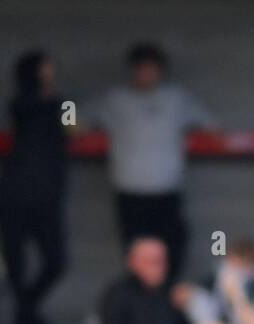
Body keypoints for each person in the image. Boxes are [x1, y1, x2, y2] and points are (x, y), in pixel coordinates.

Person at [91, 43, 214, 279]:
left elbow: (212, 126)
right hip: (130, 193)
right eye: (141, 68)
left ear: (160, 71)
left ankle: (166, 305)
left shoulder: (177, 98)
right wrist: (62, 111)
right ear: (133, 71)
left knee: (173, 251)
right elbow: (72, 120)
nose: (146, 74)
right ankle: (139, 309)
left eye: (151, 68)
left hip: (166, 192)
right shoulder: (115, 99)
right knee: (136, 255)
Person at [0, 50, 69, 324]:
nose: (52, 70)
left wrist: (65, 105)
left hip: (46, 196)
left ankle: (23, 313)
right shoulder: (21, 103)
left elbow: (74, 126)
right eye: (46, 66)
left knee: (56, 260)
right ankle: (23, 319)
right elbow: (71, 124)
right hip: (15, 194)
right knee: (16, 266)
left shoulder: (61, 102)